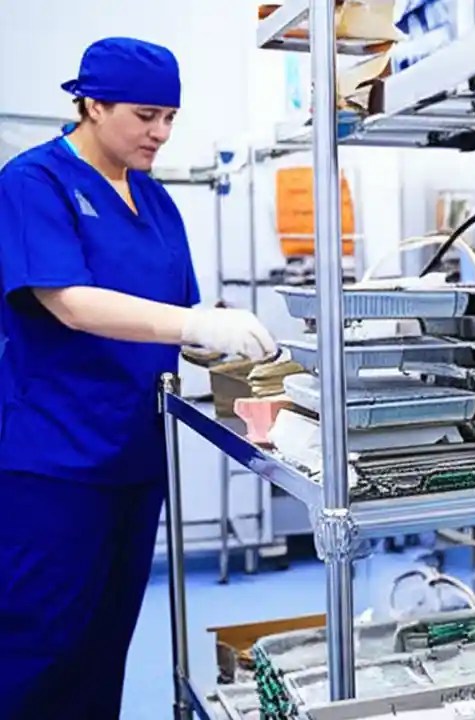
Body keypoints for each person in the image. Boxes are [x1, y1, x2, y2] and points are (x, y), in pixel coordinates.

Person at [0, 37, 276, 718]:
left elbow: (180, 316)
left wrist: (230, 341)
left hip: (137, 455)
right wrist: (194, 324)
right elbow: (68, 300)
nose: (161, 132)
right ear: (92, 105)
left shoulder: (154, 200)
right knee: (40, 642)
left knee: (105, 642)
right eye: (145, 115)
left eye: (170, 117)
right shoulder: (34, 182)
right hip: (57, 459)